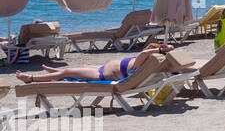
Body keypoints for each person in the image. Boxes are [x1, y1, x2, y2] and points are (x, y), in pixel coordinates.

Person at [18, 43, 172, 84]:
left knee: (66, 73)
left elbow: (145, 52)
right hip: (101, 68)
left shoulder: (142, 61)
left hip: (101, 75)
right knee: (81, 67)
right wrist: (167, 48)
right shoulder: (145, 61)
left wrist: (158, 50)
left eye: (147, 49)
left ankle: (31, 78)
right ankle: (53, 72)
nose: (144, 49)